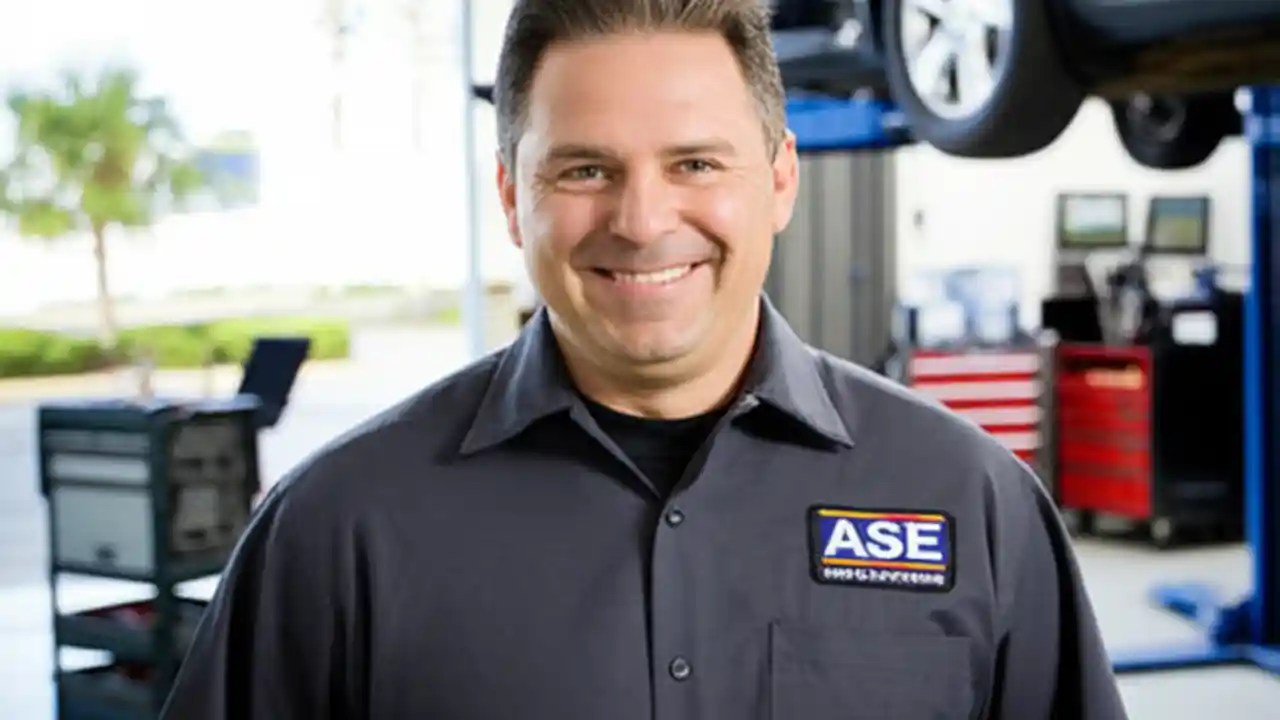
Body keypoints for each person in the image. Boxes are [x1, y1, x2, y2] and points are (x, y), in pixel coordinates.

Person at [161, 1, 1129, 718]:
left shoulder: (971, 503)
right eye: (585, 169)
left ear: (779, 180)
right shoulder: (339, 529)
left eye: (694, 163)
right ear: (513, 199)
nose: (640, 220)